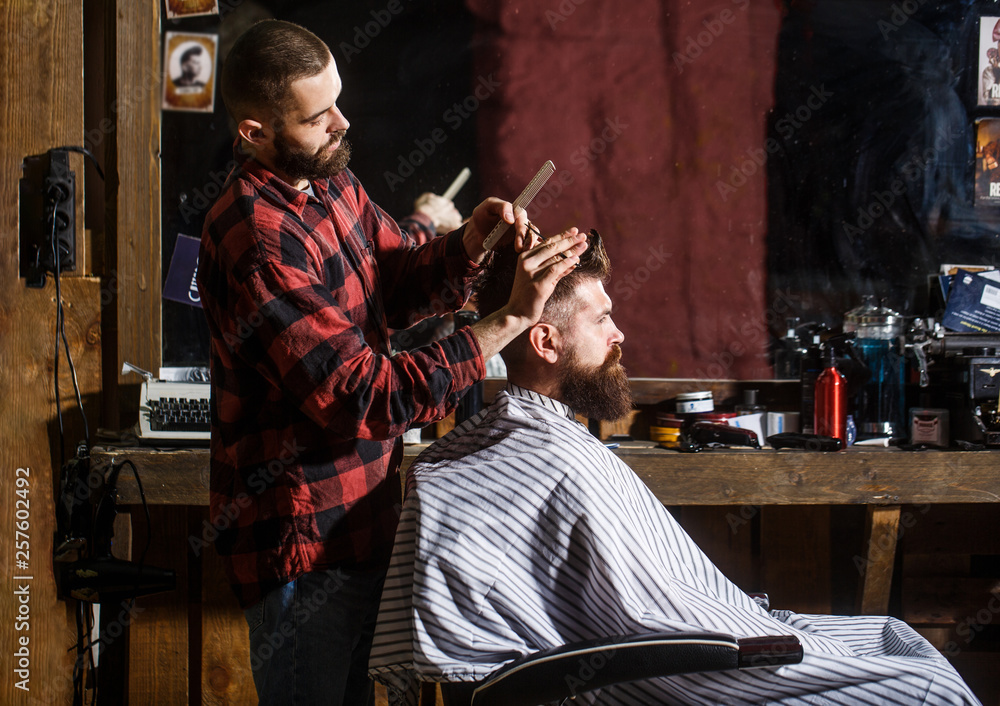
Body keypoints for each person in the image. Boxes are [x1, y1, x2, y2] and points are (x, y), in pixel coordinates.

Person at [368, 231, 981, 705]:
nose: (620, 332)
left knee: (893, 638)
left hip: (707, 642)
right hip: (693, 673)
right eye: (602, 318)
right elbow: (648, 620)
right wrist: (754, 633)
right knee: (925, 689)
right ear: (546, 342)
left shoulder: (530, 447)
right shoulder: (547, 461)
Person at [196, 19, 589, 706]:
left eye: (337, 101)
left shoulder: (326, 181)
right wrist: (511, 320)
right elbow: (362, 396)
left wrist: (467, 243)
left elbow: (395, 271)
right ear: (255, 133)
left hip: (365, 521)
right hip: (300, 544)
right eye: (318, 117)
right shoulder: (257, 242)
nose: (341, 123)